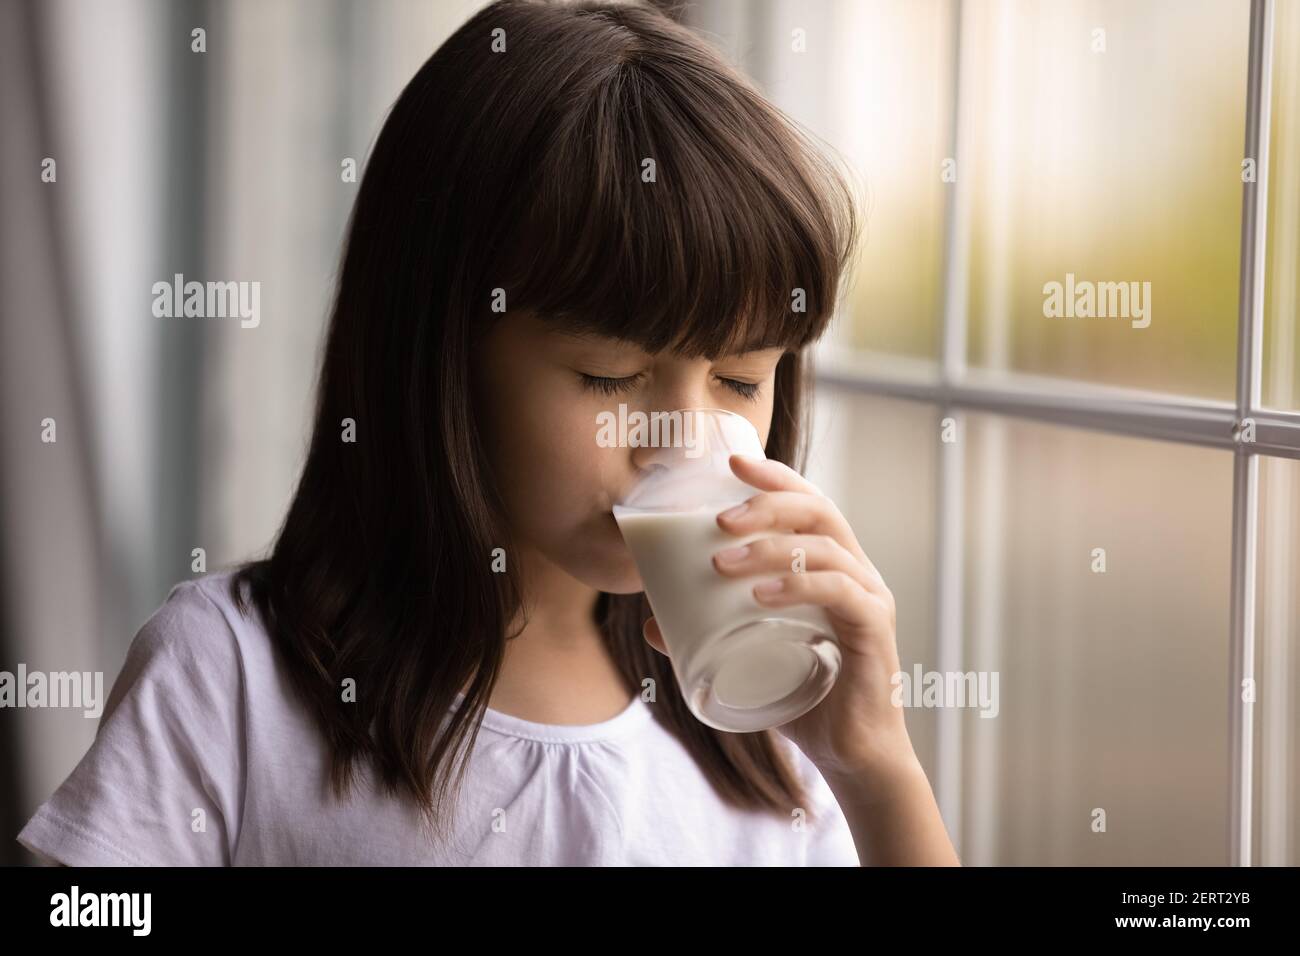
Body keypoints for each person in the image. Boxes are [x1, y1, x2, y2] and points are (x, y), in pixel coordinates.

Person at [17, 0, 958, 866]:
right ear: (438, 350)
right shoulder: (235, 678)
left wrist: (876, 770)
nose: (683, 439)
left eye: (742, 380)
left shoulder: (769, 739)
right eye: (609, 376)